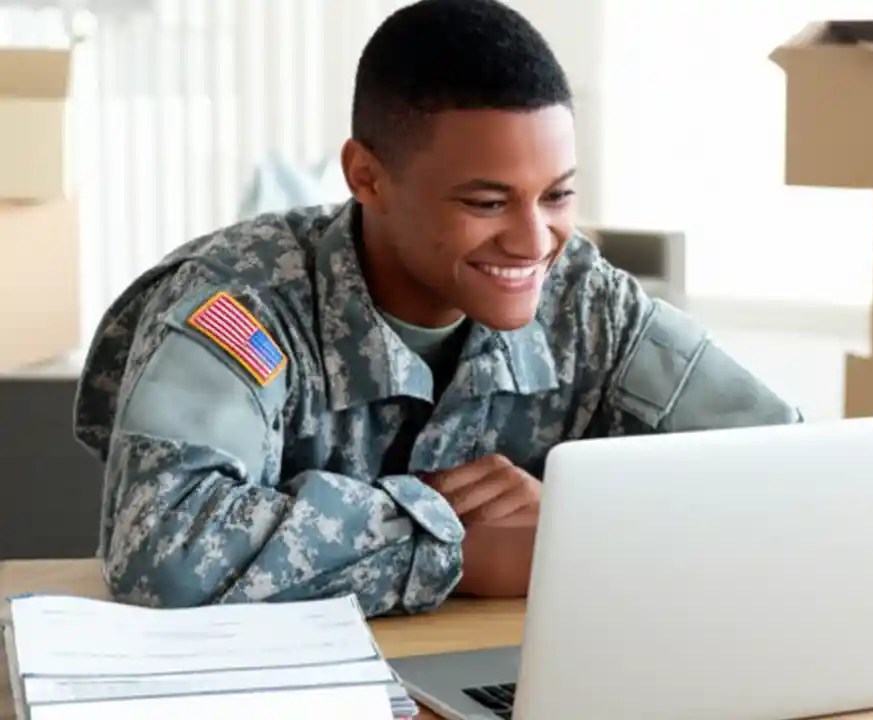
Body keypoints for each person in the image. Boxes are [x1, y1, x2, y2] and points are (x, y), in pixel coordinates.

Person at [73, 0, 800, 618]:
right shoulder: (243, 305)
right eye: (487, 202)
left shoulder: (587, 299)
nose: (533, 240)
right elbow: (161, 548)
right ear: (367, 176)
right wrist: (457, 544)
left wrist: (579, 527)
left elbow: (793, 477)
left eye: (557, 195)